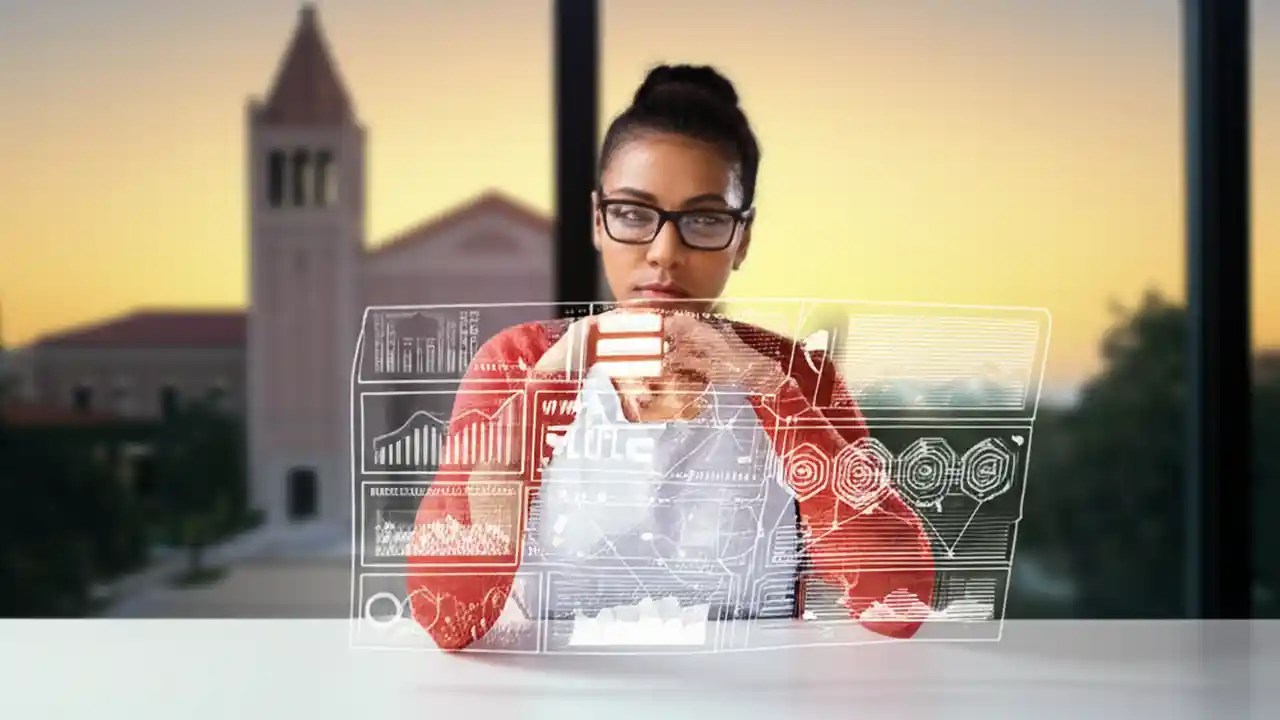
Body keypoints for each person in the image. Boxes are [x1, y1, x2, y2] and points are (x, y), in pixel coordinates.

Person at [404, 64, 935, 651]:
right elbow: (448, 619)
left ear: (743, 238)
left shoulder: (797, 376)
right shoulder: (518, 360)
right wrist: (552, 382)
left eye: (705, 220)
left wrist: (768, 388)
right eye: (633, 213)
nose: (664, 253)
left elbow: (898, 604)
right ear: (597, 222)